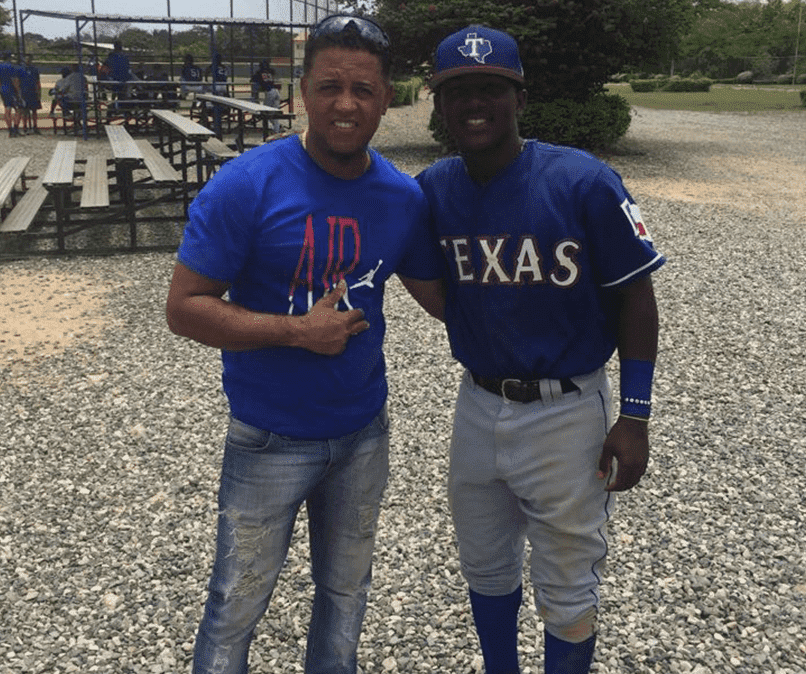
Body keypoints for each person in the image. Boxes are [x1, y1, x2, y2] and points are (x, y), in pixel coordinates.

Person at [165, 14, 442, 674]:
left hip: (362, 433)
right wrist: (294, 330)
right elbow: (184, 309)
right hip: (268, 437)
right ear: (302, 92)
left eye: (364, 90)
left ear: (386, 97)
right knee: (235, 607)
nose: (346, 104)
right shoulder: (246, 185)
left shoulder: (402, 198)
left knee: (345, 597)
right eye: (329, 87)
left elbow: (445, 302)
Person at [413, 25, 665, 674]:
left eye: (490, 89)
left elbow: (636, 300)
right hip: (477, 405)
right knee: (485, 567)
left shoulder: (584, 181)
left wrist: (633, 416)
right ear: (438, 106)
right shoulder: (434, 188)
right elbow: (419, 274)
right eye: (457, 90)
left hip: (566, 412)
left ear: (519, 97)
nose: (474, 102)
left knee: (567, 584)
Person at [250, 61, 283, 132]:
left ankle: (268, 129)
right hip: (276, 92)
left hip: (270, 93)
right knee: (274, 113)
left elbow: (253, 80)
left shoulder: (259, 73)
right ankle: (276, 130)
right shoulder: (270, 72)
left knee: (265, 112)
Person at [0, 51, 23, 138]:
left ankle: (10, 129)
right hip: (11, 89)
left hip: (3, 89)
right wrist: (18, 92)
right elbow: (15, 80)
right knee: (18, 109)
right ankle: (15, 128)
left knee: (7, 109)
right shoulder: (12, 66)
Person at [19, 54, 42, 135]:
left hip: (33, 92)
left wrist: (39, 93)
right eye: (26, 59)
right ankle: (25, 127)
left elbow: (38, 82)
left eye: (29, 59)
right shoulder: (21, 69)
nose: (27, 60)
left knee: (34, 111)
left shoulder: (35, 70)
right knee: (25, 111)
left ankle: (35, 126)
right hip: (24, 92)